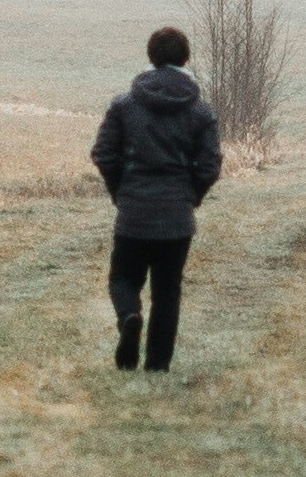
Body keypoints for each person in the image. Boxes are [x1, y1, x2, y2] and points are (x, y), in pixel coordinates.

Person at [89, 22, 225, 372]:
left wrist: (121, 190)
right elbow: (210, 164)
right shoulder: (200, 111)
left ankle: (130, 316)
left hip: (134, 210)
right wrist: (189, 195)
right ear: (186, 59)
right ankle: (158, 365)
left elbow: (103, 154)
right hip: (176, 217)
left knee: (123, 279)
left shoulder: (124, 105)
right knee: (167, 291)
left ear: (150, 57)